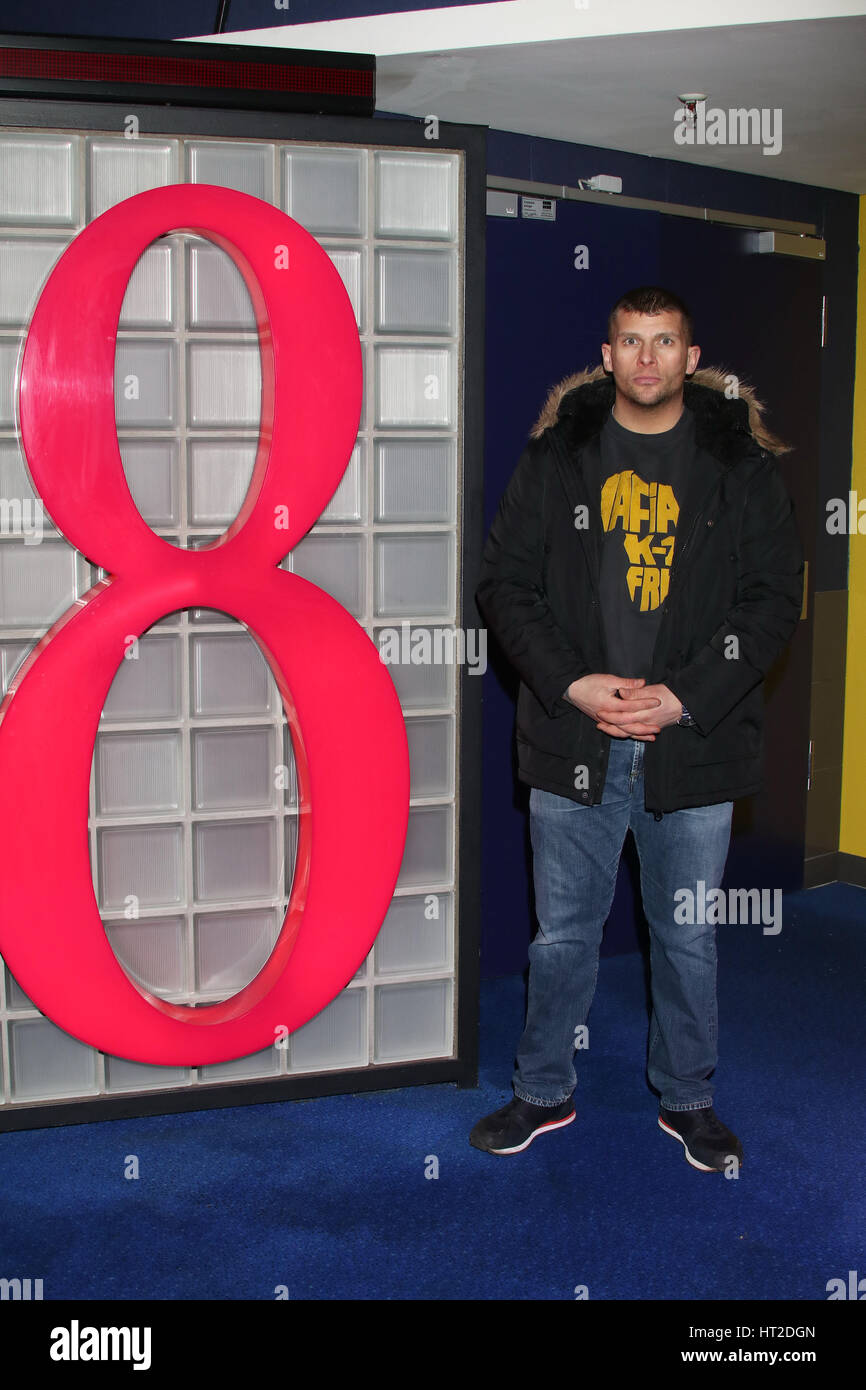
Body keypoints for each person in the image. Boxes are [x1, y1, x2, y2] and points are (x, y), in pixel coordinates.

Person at [471, 285, 804, 1171]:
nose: (648, 358)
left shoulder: (742, 467)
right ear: (608, 354)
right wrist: (572, 682)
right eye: (631, 341)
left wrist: (686, 695)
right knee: (562, 936)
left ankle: (689, 1100)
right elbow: (505, 584)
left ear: (692, 360)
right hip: (573, 737)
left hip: (692, 742)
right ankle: (542, 1091)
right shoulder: (557, 458)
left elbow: (775, 601)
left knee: (686, 933)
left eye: (665, 342)